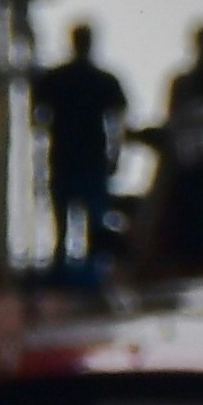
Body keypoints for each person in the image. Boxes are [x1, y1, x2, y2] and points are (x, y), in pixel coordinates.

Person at [29, 18, 128, 270]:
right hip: (92, 160)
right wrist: (115, 155)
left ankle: (64, 272)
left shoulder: (56, 79)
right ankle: (90, 277)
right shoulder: (104, 81)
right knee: (94, 228)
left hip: (64, 158)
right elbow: (117, 121)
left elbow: (37, 117)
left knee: (62, 228)